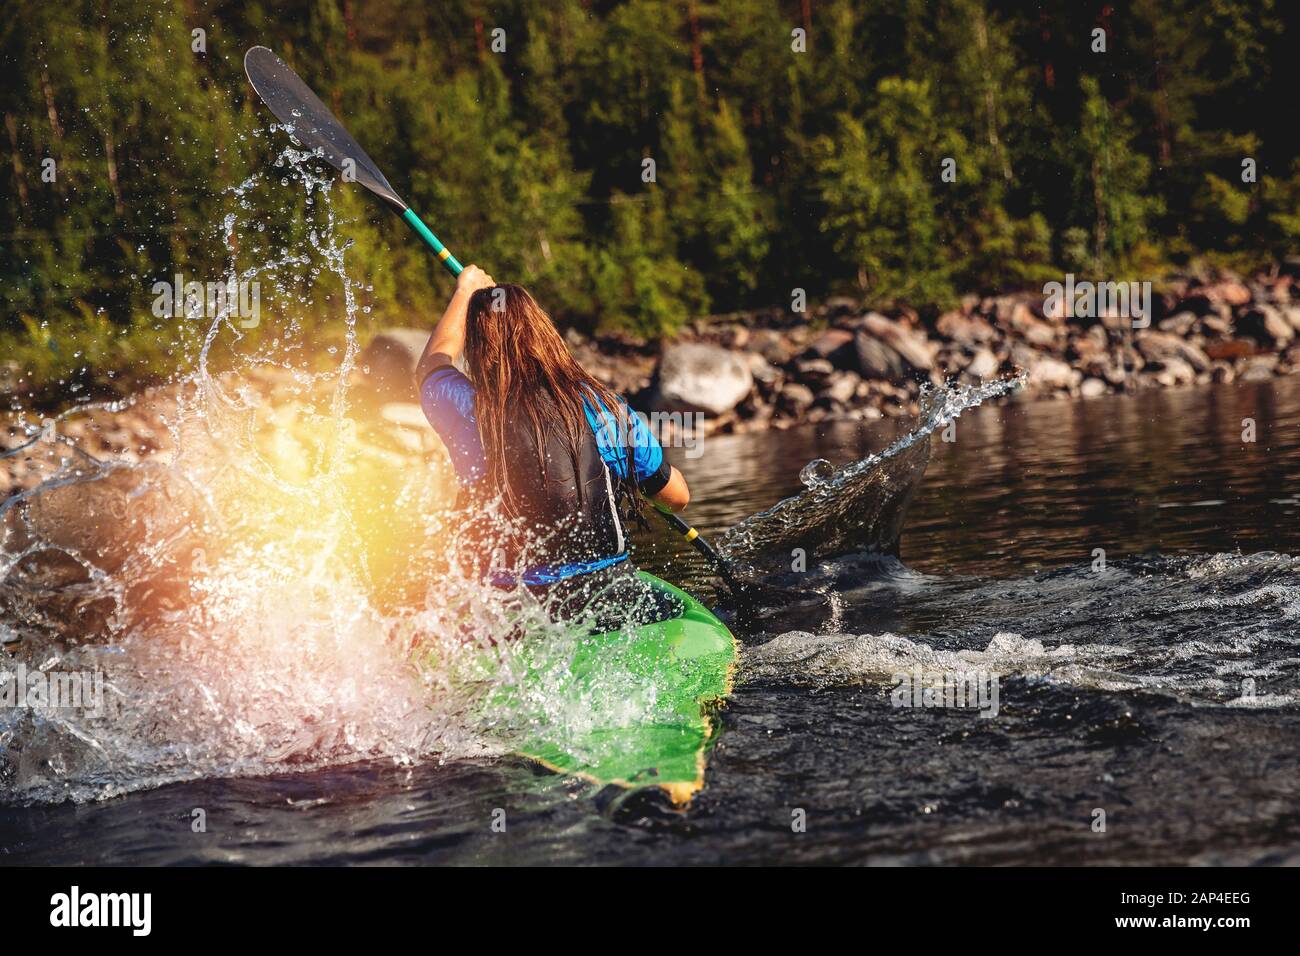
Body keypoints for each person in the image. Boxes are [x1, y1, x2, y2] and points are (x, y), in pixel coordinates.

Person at [415, 265, 690, 626]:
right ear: (544, 334)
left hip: (510, 609)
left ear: (479, 349)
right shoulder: (603, 408)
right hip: (605, 595)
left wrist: (465, 291)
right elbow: (677, 497)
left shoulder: (465, 408)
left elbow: (432, 365)